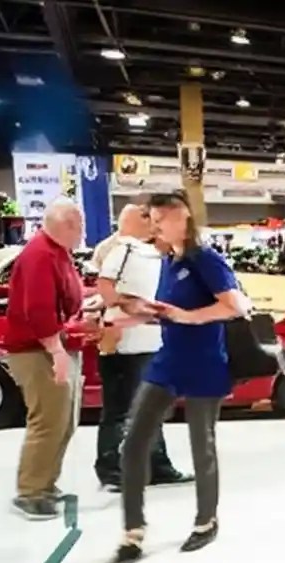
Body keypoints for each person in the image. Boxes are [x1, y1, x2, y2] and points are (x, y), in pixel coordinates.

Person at [116, 192, 247, 562]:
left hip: (205, 362)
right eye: (152, 219)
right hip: (169, 361)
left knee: (201, 446)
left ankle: (206, 521)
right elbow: (168, 310)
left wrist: (187, 317)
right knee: (134, 440)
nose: (155, 225)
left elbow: (234, 306)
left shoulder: (205, 259)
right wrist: (135, 313)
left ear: (182, 217)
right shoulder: (168, 262)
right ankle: (133, 530)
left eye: (160, 218)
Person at [93, 201, 191, 492]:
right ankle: (111, 469)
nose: (153, 222)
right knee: (120, 408)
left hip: (151, 342)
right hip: (125, 343)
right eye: (147, 217)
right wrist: (135, 306)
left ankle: (157, 464)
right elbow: (107, 290)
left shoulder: (151, 253)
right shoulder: (119, 250)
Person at [3, 199, 88, 520]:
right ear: (66, 225)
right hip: (36, 350)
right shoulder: (40, 254)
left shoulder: (57, 252)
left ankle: (46, 484)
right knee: (48, 421)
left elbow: (67, 296)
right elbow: (36, 310)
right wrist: (55, 350)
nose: (82, 232)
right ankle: (30, 492)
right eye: (78, 226)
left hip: (52, 345)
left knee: (63, 421)